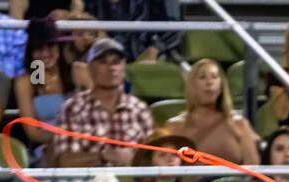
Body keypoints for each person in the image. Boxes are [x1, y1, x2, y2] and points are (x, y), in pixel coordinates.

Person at [50, 36, 152, 167]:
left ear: (124, 68)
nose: (111, 68)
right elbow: (65, 161)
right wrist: (103, 156)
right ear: (90, 68)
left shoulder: (140, 109)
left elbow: (152, 159)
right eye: (103, 62)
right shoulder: (72, 108)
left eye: (116, 62)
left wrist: (132, 159)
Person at [165, 58, 259, 166]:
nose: (209, 82)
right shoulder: (175, 126)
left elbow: (253, 168)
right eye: (202, 77)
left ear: (221, 85)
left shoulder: (239, 123)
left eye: (214, 77)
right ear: (192, 85)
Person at [13, 15, 75, 155]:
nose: (45, 53)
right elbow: (33, 133)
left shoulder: (74, 73)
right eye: (39, 48)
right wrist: (64, 137)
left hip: (80, 144)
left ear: (59, 47)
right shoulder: (28, 81)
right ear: (31, 51)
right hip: (47, 147)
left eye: (50, 46)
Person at [82, 0, 179, 63]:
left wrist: (154, 49)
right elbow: (84, 30)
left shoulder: (148, 4)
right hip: (105, 56)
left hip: (140, 56)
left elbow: (173, 27)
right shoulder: (92, 4)